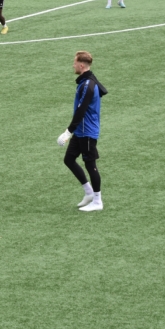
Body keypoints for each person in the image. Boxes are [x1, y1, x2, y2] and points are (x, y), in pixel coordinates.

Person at [57, 51, 108, 212]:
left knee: (90, 164)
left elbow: (81, 110)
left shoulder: (87, 85)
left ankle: (98, 201)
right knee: (69, 159)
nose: (73, 65)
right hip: (81, 130)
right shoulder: (87, 80)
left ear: (81, 65)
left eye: (74, 62)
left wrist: (67, 132)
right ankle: (89, 192)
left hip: (87, 131)